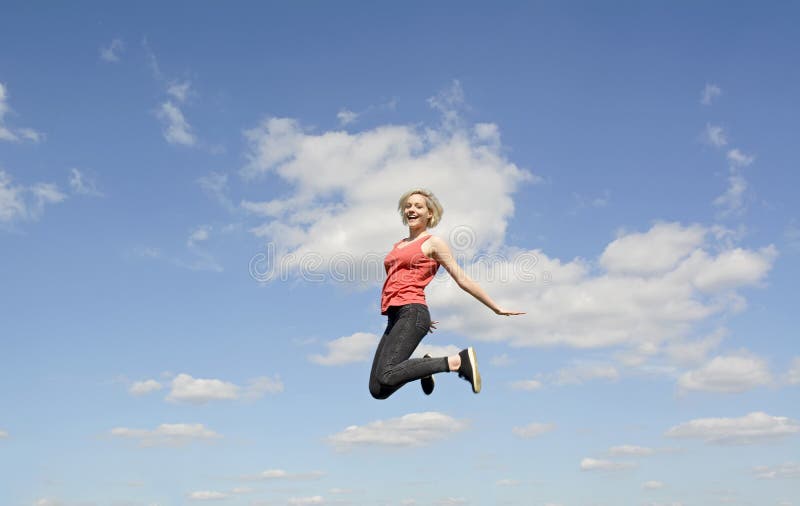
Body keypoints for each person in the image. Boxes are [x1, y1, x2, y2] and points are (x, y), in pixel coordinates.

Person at [369, 188, 525, 400]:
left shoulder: (433, 243)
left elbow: (461, 278)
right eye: (408, 206)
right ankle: (427, 366)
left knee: (387, 374)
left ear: (429, 214)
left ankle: (457, 361)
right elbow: (398, 281)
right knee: (378, 389)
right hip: (398, 316)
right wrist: (416, 319)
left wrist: (495, 307)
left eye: (418, 206)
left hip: (411, 311)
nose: (411, 209)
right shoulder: (398, 245)